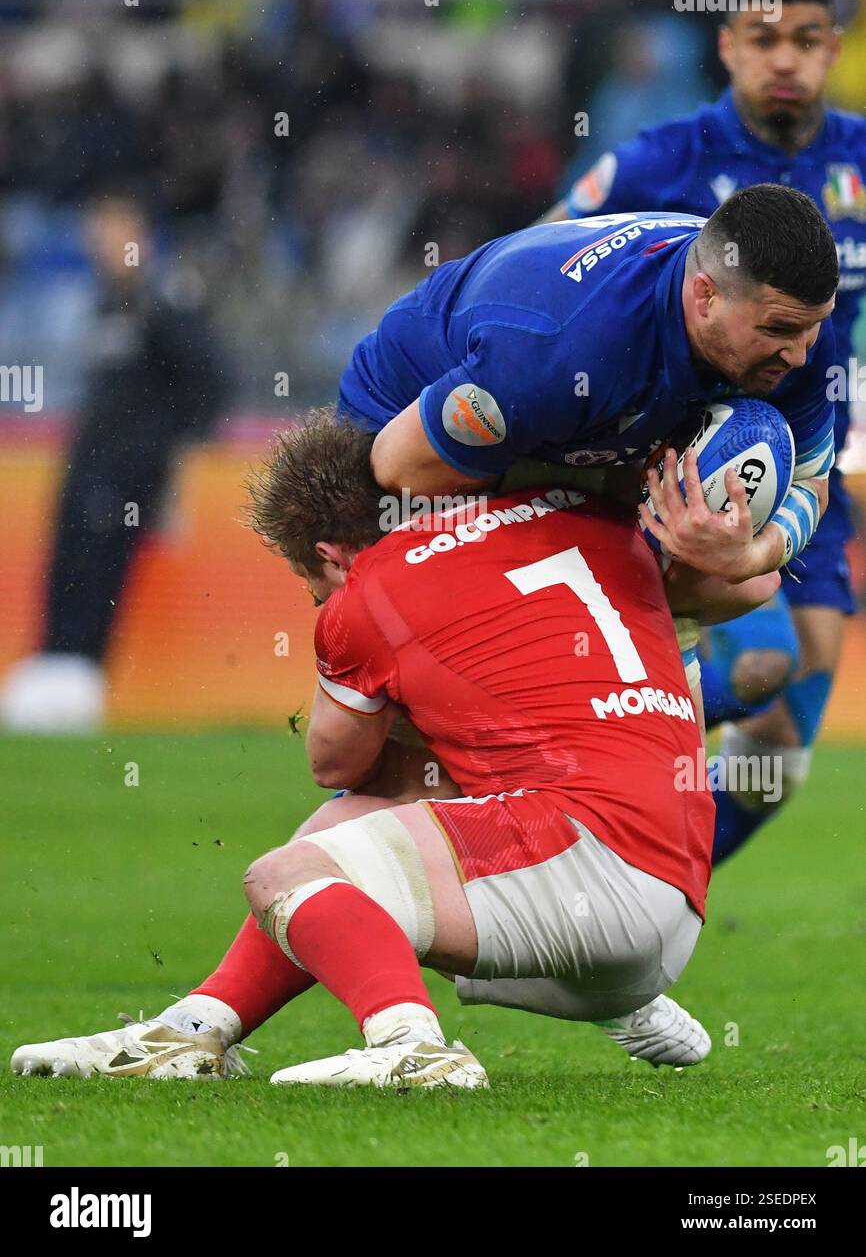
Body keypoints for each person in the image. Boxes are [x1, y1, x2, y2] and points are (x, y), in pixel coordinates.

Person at [11, 410, 724, 1087]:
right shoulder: (579, 512)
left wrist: (367, 665)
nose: (321, 602)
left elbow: (333, 763)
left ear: (329, 553)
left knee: (282, 875)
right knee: (341, 829)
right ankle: (194, 1029)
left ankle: (411, 1046)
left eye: (313, 586)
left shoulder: (375, 586)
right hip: (672, 893)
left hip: (591, 871)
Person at [544, 0, 864, 862]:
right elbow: (548, 251)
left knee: (776, 758)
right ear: (726, 47)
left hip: (815, 456)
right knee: (761, 665)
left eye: (807, 40)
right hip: (675, 461)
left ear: (833, 49)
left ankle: (632, 879)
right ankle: (597, 814)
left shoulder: (862, 160)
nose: (786, 60)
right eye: (763, 39)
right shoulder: (662, 159)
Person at [0, 191, 226, 732]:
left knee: (97, 579)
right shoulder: (108, 303)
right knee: (66, 574)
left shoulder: (164, 302)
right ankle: (55, 685)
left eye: (110, 230)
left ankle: (77, 691)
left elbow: (211, 380)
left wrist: (159, 452)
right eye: (94, 232)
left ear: (139, 234)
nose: (100, 243)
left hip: (126, 477)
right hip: (86, 469)